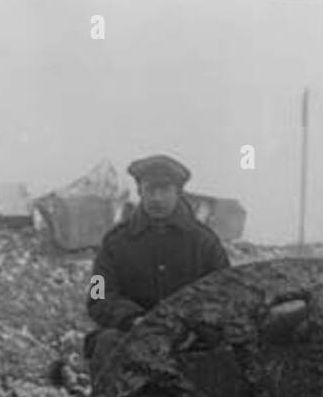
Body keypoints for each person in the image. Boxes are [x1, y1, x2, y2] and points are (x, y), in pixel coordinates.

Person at [84, 154, 229, 378]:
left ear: (178, 192)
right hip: (132, 338)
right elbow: (98, 297)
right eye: (150, 189)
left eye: (165, 189)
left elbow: (225, 298)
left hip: (189, 342)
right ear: (140, 191)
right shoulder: (115, 242)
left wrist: (188, 326)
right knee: (106, 344)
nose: (157, 198)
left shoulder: (205, 243)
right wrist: (134, 320)